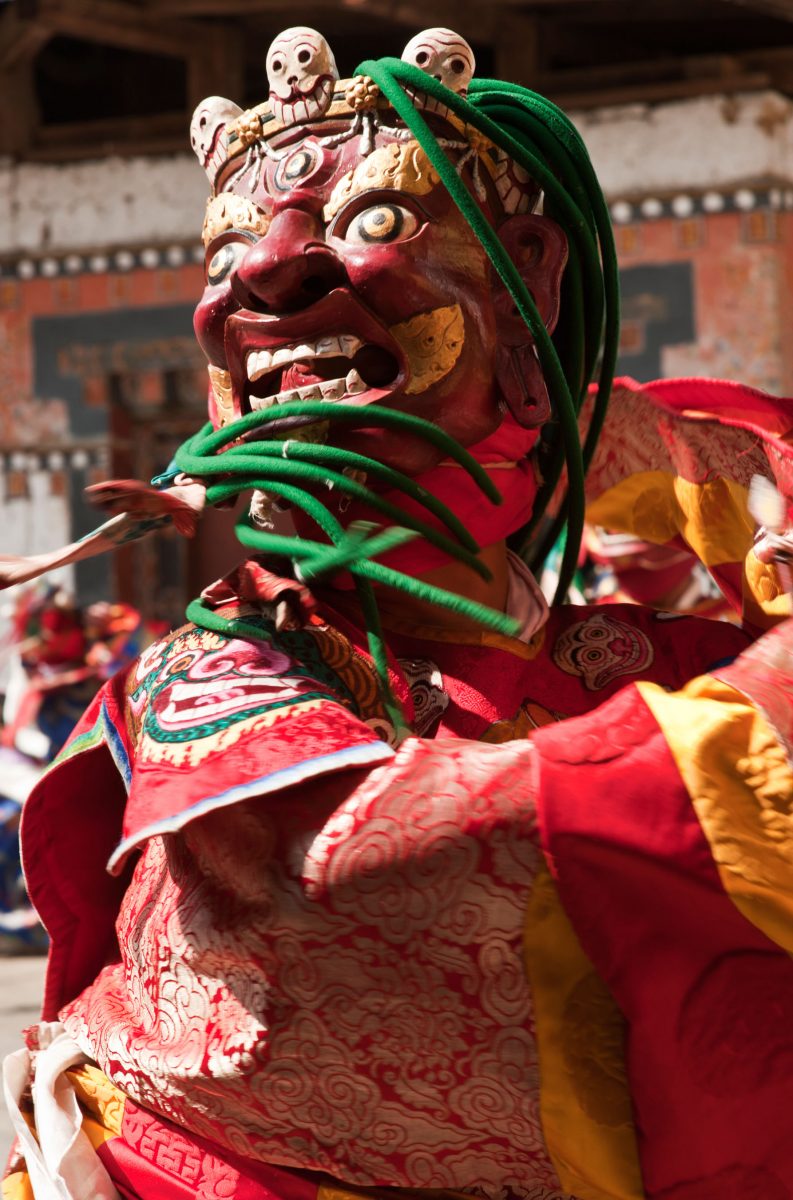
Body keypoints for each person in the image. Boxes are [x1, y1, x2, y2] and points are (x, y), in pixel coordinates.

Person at [3, 25, 793, 1200]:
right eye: (229, 247)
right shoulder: (220, 669)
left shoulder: (624, 661)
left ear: (526, 275)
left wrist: (610, 427)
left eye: (370, 221)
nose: (267, 272)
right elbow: (386, 873)